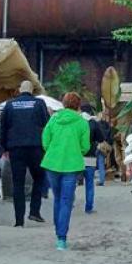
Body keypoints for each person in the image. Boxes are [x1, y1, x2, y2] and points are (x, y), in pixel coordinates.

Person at [41, 90, 91, 250]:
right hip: (72, 164)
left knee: (57, 198)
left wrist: (51, 150)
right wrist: (76, 151)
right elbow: (85, 146)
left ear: (63, 103)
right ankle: (61, 237)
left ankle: (58, 230)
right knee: (66, 201)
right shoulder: (82, 122)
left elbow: (45, 139)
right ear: (78, 105)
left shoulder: (54, 119)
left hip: (52, 163)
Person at [0, 79, 50, 226]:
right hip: (36, 147)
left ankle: (19, 220)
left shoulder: (10, 105)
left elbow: (3, 128)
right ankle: (34, 212)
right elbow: (46, 125)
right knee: (39, 178)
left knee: (18, 183)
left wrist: (4, 148)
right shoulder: (39, 104)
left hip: (16, 148)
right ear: (32, 90)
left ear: (20, 90)